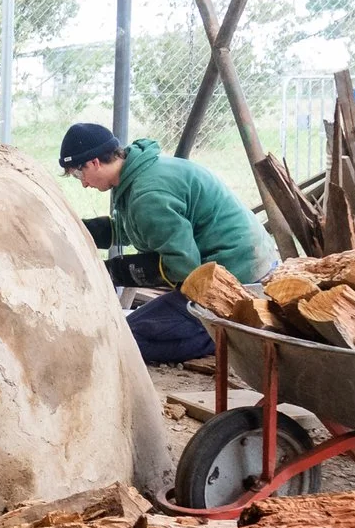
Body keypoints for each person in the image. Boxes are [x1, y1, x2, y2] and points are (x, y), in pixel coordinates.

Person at [60, 122, 270, 364]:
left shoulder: (148, 194)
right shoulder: (139, 173)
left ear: (95, 162)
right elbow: (129, 227)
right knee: (129, 330)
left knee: (125, 340)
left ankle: (224, 336)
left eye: (79, 174)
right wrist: (73, 230)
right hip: (227, 266)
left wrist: (115, 271)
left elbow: (184, 268)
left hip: (232, 280)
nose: (84, 183)